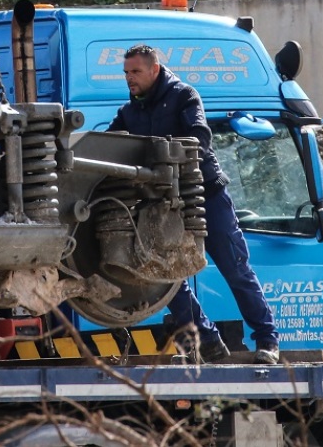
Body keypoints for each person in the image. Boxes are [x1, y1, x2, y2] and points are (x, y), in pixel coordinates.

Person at [108, 43, 279, 365]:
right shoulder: (129, 112)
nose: (129, 79)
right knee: (166, 280)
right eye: (126, 73)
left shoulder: (184, 96)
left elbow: (200, 135)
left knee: (236, 270)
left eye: (135, 72)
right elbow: (108, 144)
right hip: (162, 206)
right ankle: (207, 341)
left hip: (206, 196)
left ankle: (267, 341)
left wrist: (170, 161)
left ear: (154, 70)